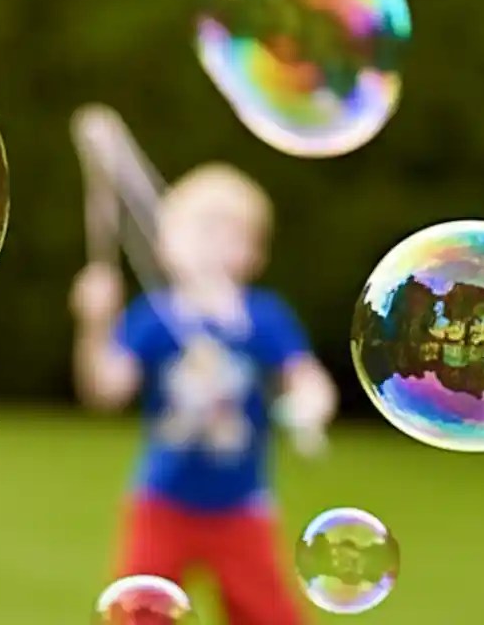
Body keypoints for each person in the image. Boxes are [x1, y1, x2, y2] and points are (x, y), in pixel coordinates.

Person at [71, 161, 338, 625]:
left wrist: (310, 406)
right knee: (137, 612)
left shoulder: (262, 318)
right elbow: (105, 390)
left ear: (256, 255)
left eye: (230, 234)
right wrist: (94, 325)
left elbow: (308, 378)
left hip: (242, 507)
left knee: (270, 617)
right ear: (165, 244)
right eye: (199, 230)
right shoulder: (154, 317)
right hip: (161, 503)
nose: (212, 245)